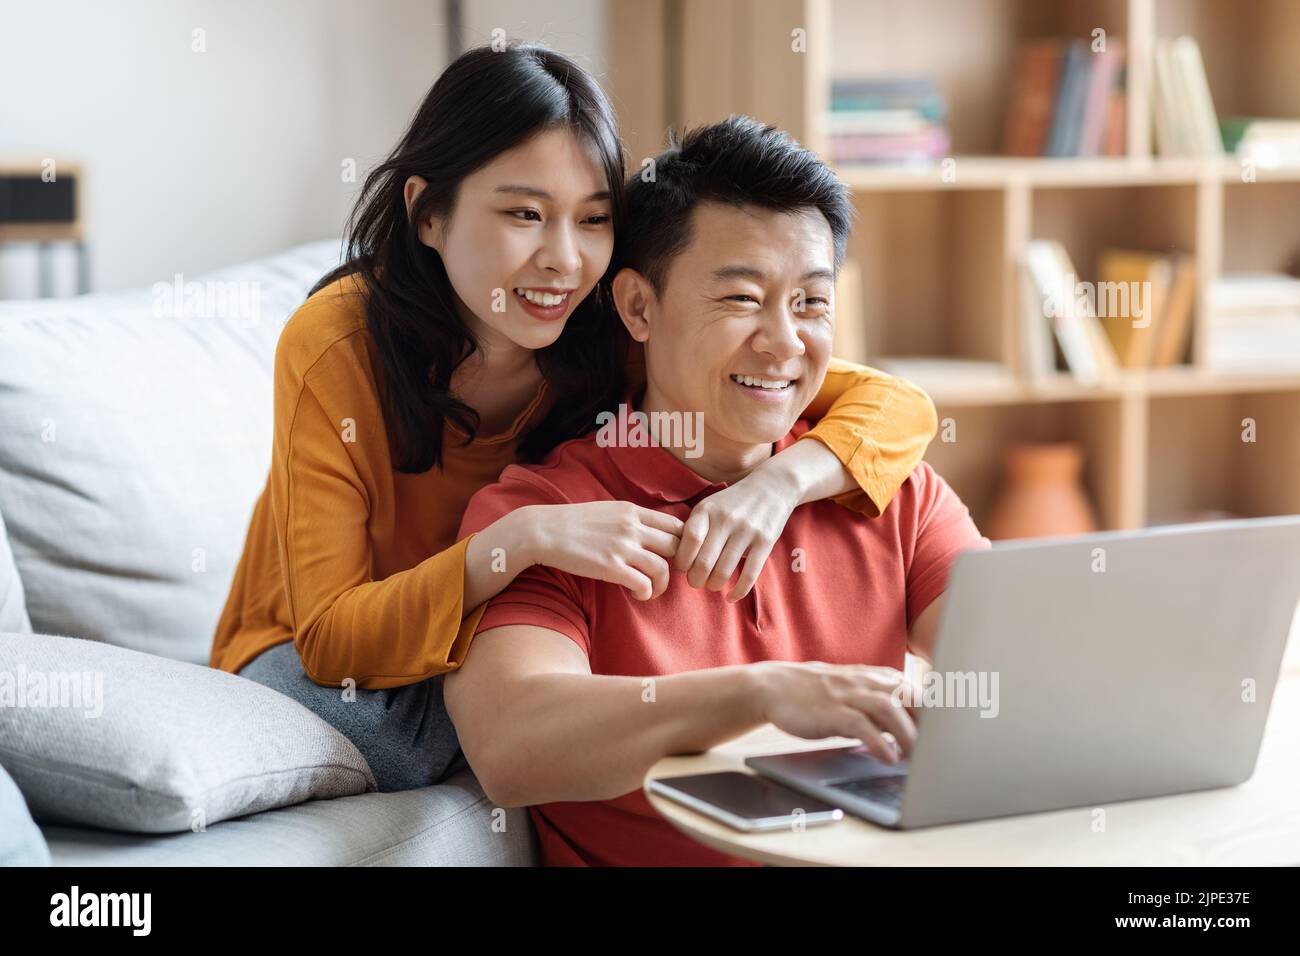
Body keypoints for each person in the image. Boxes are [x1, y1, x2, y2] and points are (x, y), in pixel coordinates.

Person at [210, 45, 937, 792]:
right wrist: (519, 541)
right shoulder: (338, 344)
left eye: (592, 220)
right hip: (315, 646)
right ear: (428, 213)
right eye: (525, 214)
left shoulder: (604, 326)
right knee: (418, 736)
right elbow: (334, 641)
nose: (563, 260)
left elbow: (896, 405)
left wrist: (778, 486)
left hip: (489, 632)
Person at [445, 116, 991, 865]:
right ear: (638, 307)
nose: (784, 342)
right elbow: (510, 745)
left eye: (811, 303)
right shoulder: (549, 515)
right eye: (741, 300)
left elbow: (1022, 663)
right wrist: (758, 695)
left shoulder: (887, 487)